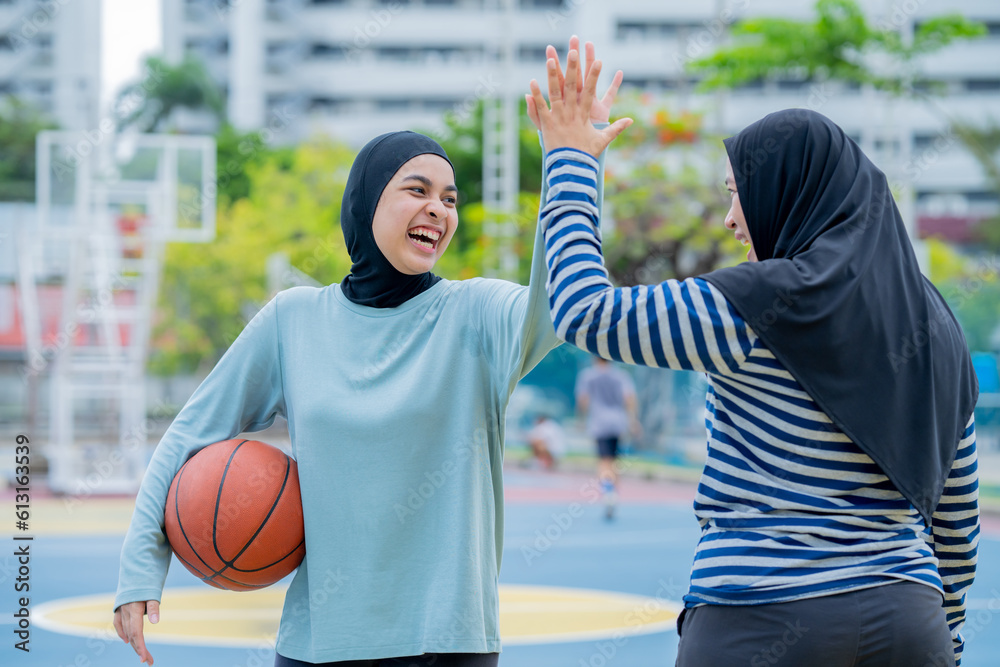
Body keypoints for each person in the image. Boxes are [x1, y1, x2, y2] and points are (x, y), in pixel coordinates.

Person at [112, 38, 621, 667]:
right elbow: (188, 434)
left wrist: (572, 164)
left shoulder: (477, 313)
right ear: (367, 200)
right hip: (320, 644)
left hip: (447, 643)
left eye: (450, 198)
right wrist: (140, 568)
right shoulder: (293, 321)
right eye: (417, 189)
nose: (438, 208)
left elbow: (561, 302)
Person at [527, 47, 979, 666]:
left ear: (788, 195)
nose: (731, 218)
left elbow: (584, 312)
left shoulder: (757, 302)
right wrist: (941, 631)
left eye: (740, 194)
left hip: (761, 616)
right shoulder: (940, 329)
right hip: (908, 616)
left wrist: (571, 162)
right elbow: (956, 517)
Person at [575, 356, 639, 518]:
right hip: (618, 422)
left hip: (599, 422)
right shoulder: (621, 375)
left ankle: (608, 492)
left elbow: (583, 399)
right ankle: (614, 494)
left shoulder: (588, 375)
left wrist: (581, 419)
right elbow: (629, 398)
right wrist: (633, 420)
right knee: (614, 460)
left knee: (604, 461)